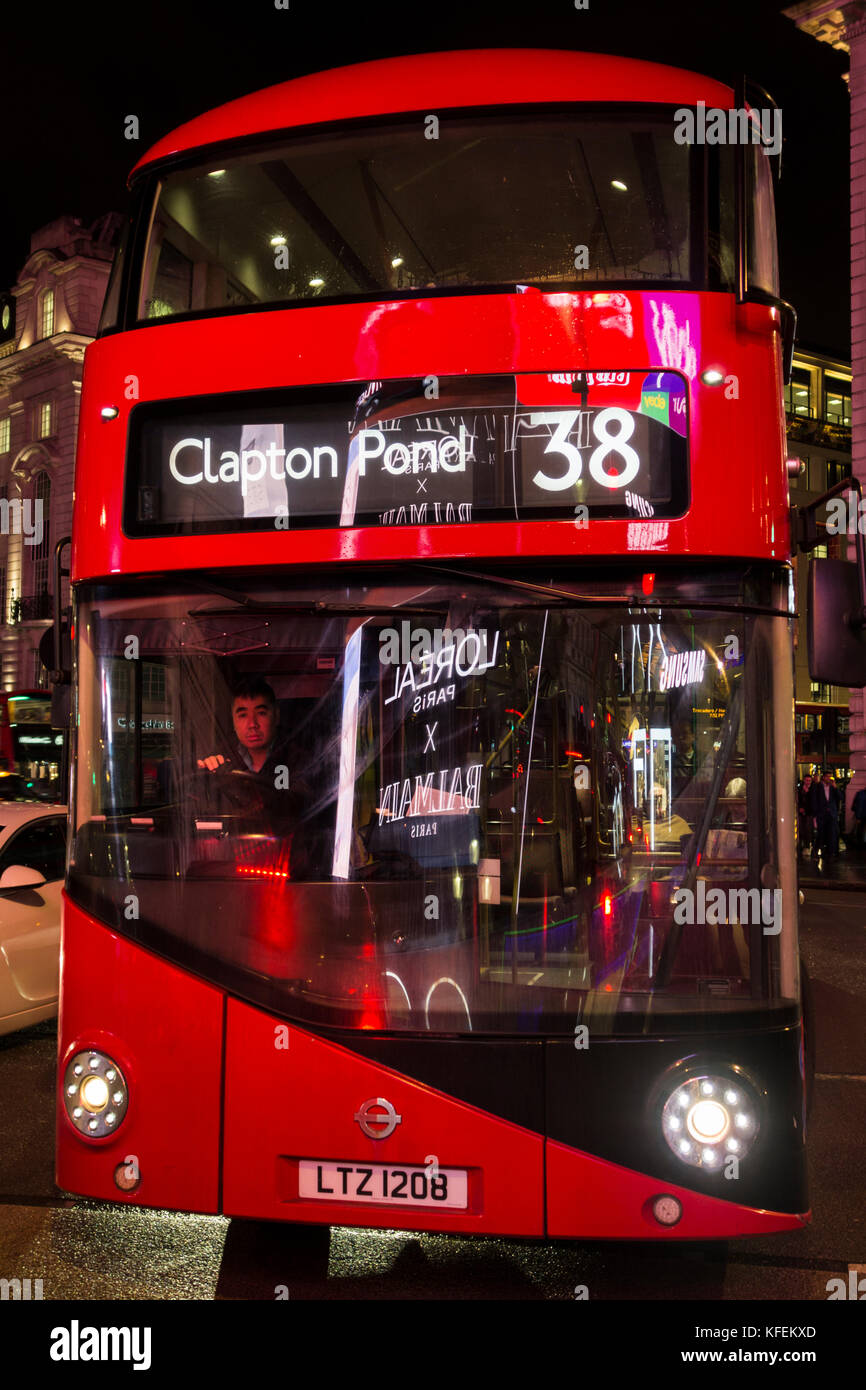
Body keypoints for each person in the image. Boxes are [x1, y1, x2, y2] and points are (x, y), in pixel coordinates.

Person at [809, 770, 841, 860]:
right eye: (827, 777)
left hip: (831, 813)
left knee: (831, 833)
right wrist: (815, 812)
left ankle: (830, 852)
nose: (829, 779)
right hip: (821, 813)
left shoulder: (832, 787)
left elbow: (840, 797)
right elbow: (814, 800)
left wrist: (835, 788)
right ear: (823, 777)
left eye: (830, 777)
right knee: (820, 833)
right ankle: (816, 850)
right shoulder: (817, 786)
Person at [797, 773, 815, 860]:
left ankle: (807, 847)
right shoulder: (799, 789)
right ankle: (801, 846)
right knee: (801, 829)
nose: (808, 782)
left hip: (809, 812)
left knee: (808, 830)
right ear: (804, 780)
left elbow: (813, 801)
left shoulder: (813, 789)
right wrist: (800, 808)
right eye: (807, 780)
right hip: (801, 812)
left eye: (809, 781)